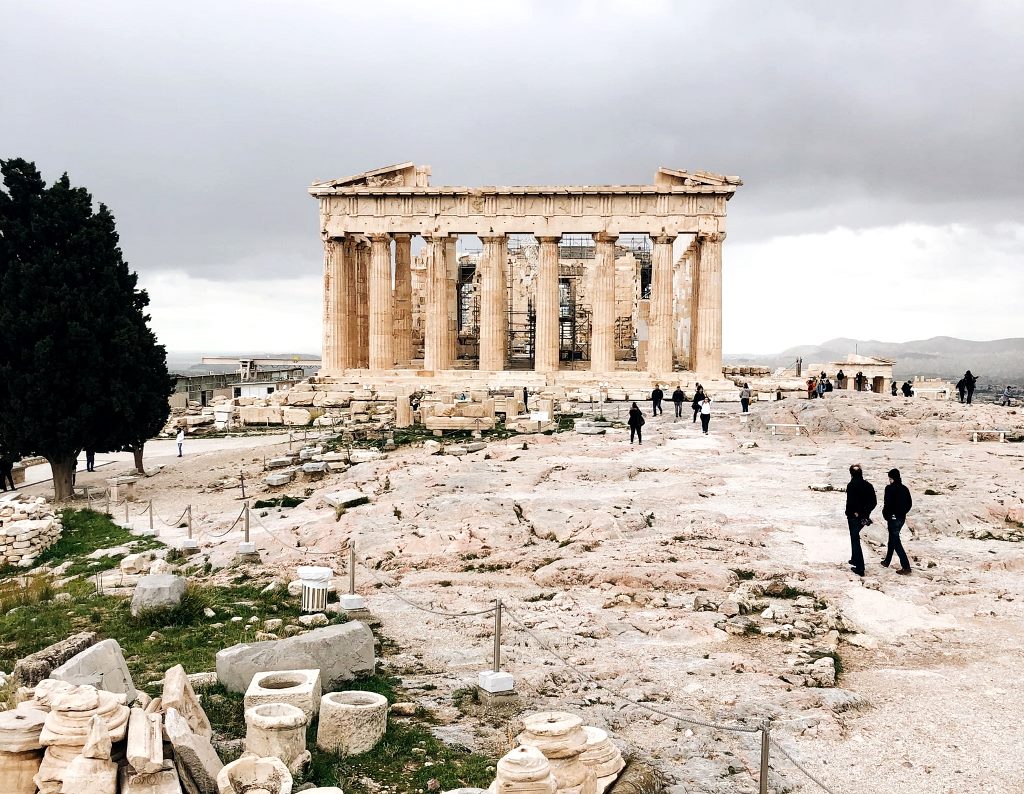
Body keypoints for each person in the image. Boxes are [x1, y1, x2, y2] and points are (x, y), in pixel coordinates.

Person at [845, 464, 877, 577]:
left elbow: (850, 503)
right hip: (864, 517)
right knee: (855, 537)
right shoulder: (868, 485)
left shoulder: (851, 485)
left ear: (851, 474)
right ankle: (854, 559)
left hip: (854, 517)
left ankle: (860, 568)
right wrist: (865, 513)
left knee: (855, 539)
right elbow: (874, 502)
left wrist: (854, 512)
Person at [881, 468, 912, 574]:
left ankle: (906, 566)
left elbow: (887, 503)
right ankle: (887, 561)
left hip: (893, 518)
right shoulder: (905, 489)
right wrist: (903, 513)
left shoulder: (889, 489)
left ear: (892, 478)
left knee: (896, 542)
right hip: (901, 518)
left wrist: (887, 515)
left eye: (889, 478)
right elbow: (909, 504)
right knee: (892, 539)